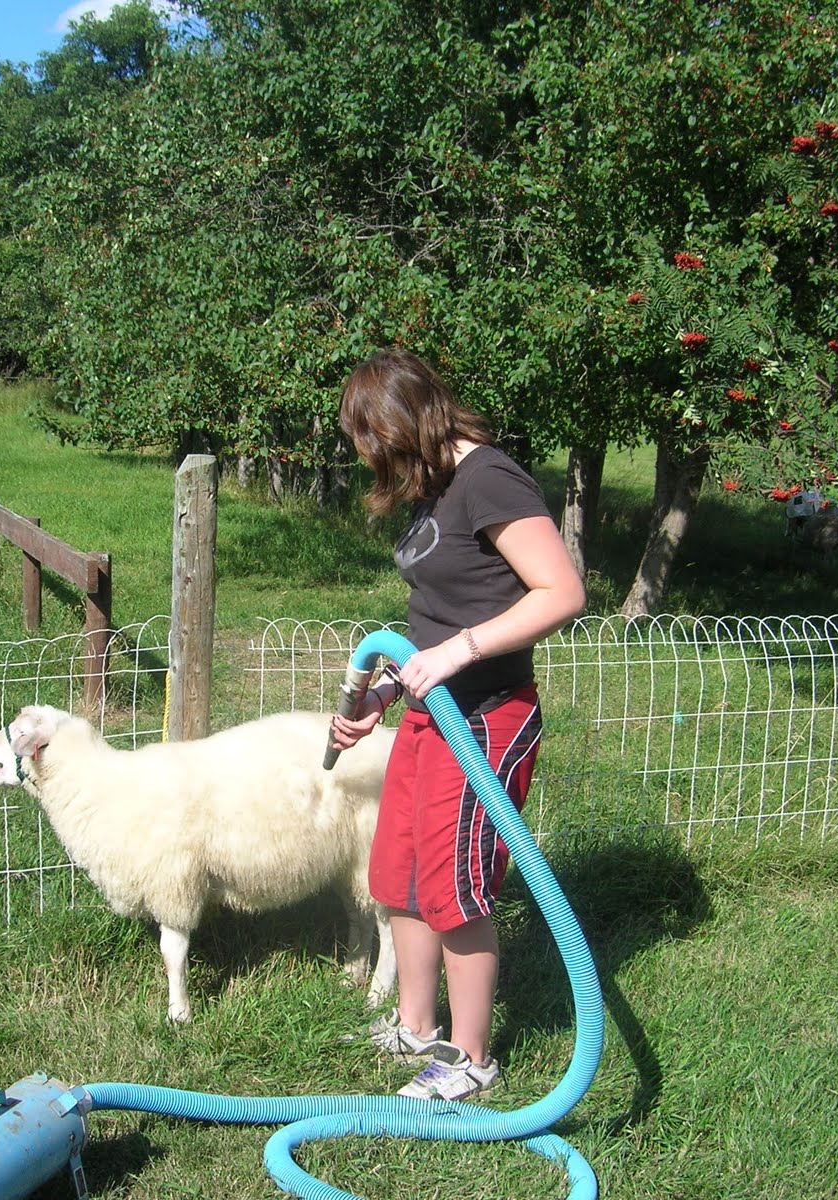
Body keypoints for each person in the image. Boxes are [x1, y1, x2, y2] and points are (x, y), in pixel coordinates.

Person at [330, 348, 585, 1102]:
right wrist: (383, 697)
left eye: (372, 441)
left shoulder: (489, 479)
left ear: (404, 422)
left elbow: (562, 591)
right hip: (428, 713)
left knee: (454, 888)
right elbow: (440, 612)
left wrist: (459, 653)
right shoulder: (434, 485)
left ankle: (471, 1058)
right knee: (401, 876)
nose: (370, 458)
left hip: (487, 716)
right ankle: (416, 1025)